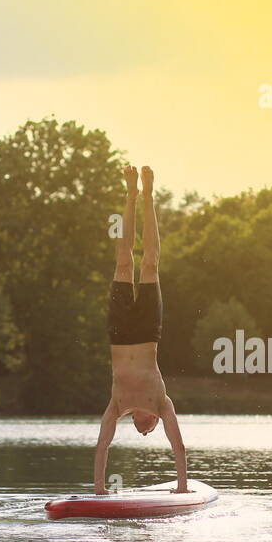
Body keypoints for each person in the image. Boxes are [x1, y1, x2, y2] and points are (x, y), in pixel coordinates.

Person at [94, 165, 188, 495]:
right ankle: (144, 195)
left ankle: (131, 195)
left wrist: (99, 488)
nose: (145, 433)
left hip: (119, 332)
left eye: (141, 432)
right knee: (150, 261)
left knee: (123, 261)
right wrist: (182, 486)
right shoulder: (163, 405)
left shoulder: (118, 406)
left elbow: (102, 446)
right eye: (147, 432)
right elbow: (179, 447)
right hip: (148, 331)